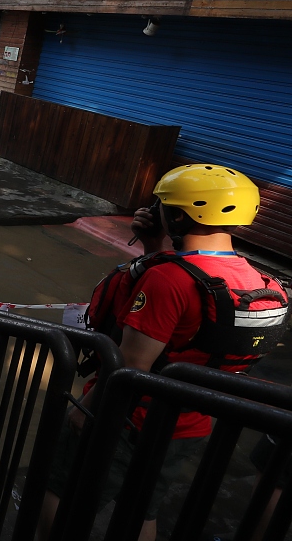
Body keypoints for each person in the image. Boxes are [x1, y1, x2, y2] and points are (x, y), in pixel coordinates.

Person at [37, 164, 288, 541]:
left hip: (130, 420)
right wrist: (157, 247)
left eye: (164, 206)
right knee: (140, 508)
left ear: (176, 215)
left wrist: (88, 407)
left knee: (60, 490)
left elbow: (134, 364)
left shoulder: (168, 280)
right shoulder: (266, 286)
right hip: (190, 423)